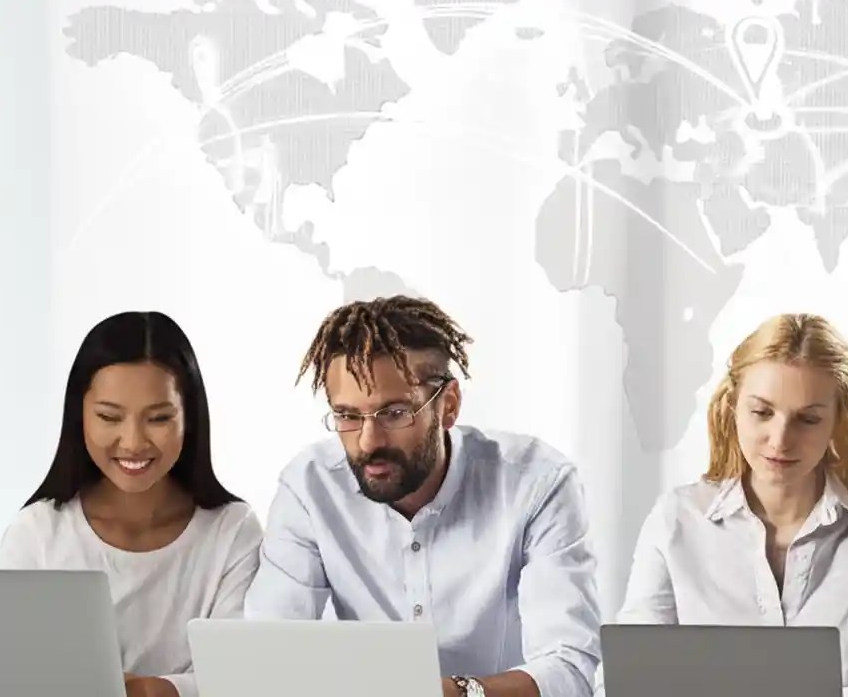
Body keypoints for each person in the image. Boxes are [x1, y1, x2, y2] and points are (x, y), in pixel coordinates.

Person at [243, 295, 601, 697]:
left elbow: (570, 670)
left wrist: (456, 693)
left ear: (448, 406)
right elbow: (266, 654)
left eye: (394, 413)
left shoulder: (537, 483)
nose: (368, 441)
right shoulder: (310, 487)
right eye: (347, 415)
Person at [611, 313, 848, 697]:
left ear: (838, 420)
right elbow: (631, 676)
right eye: (761, 412)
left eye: (808, 420)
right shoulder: (676, 519)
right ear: (732, 407)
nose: (780, 440)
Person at [0, 311, 263, 697]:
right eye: (109, 417)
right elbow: (3, 669)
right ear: (79, 416)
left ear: (189, 418)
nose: (133, 442)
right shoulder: (37, 533)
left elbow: (242, 673)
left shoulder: (233, 532)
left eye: (158, 418)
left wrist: (158, 690)